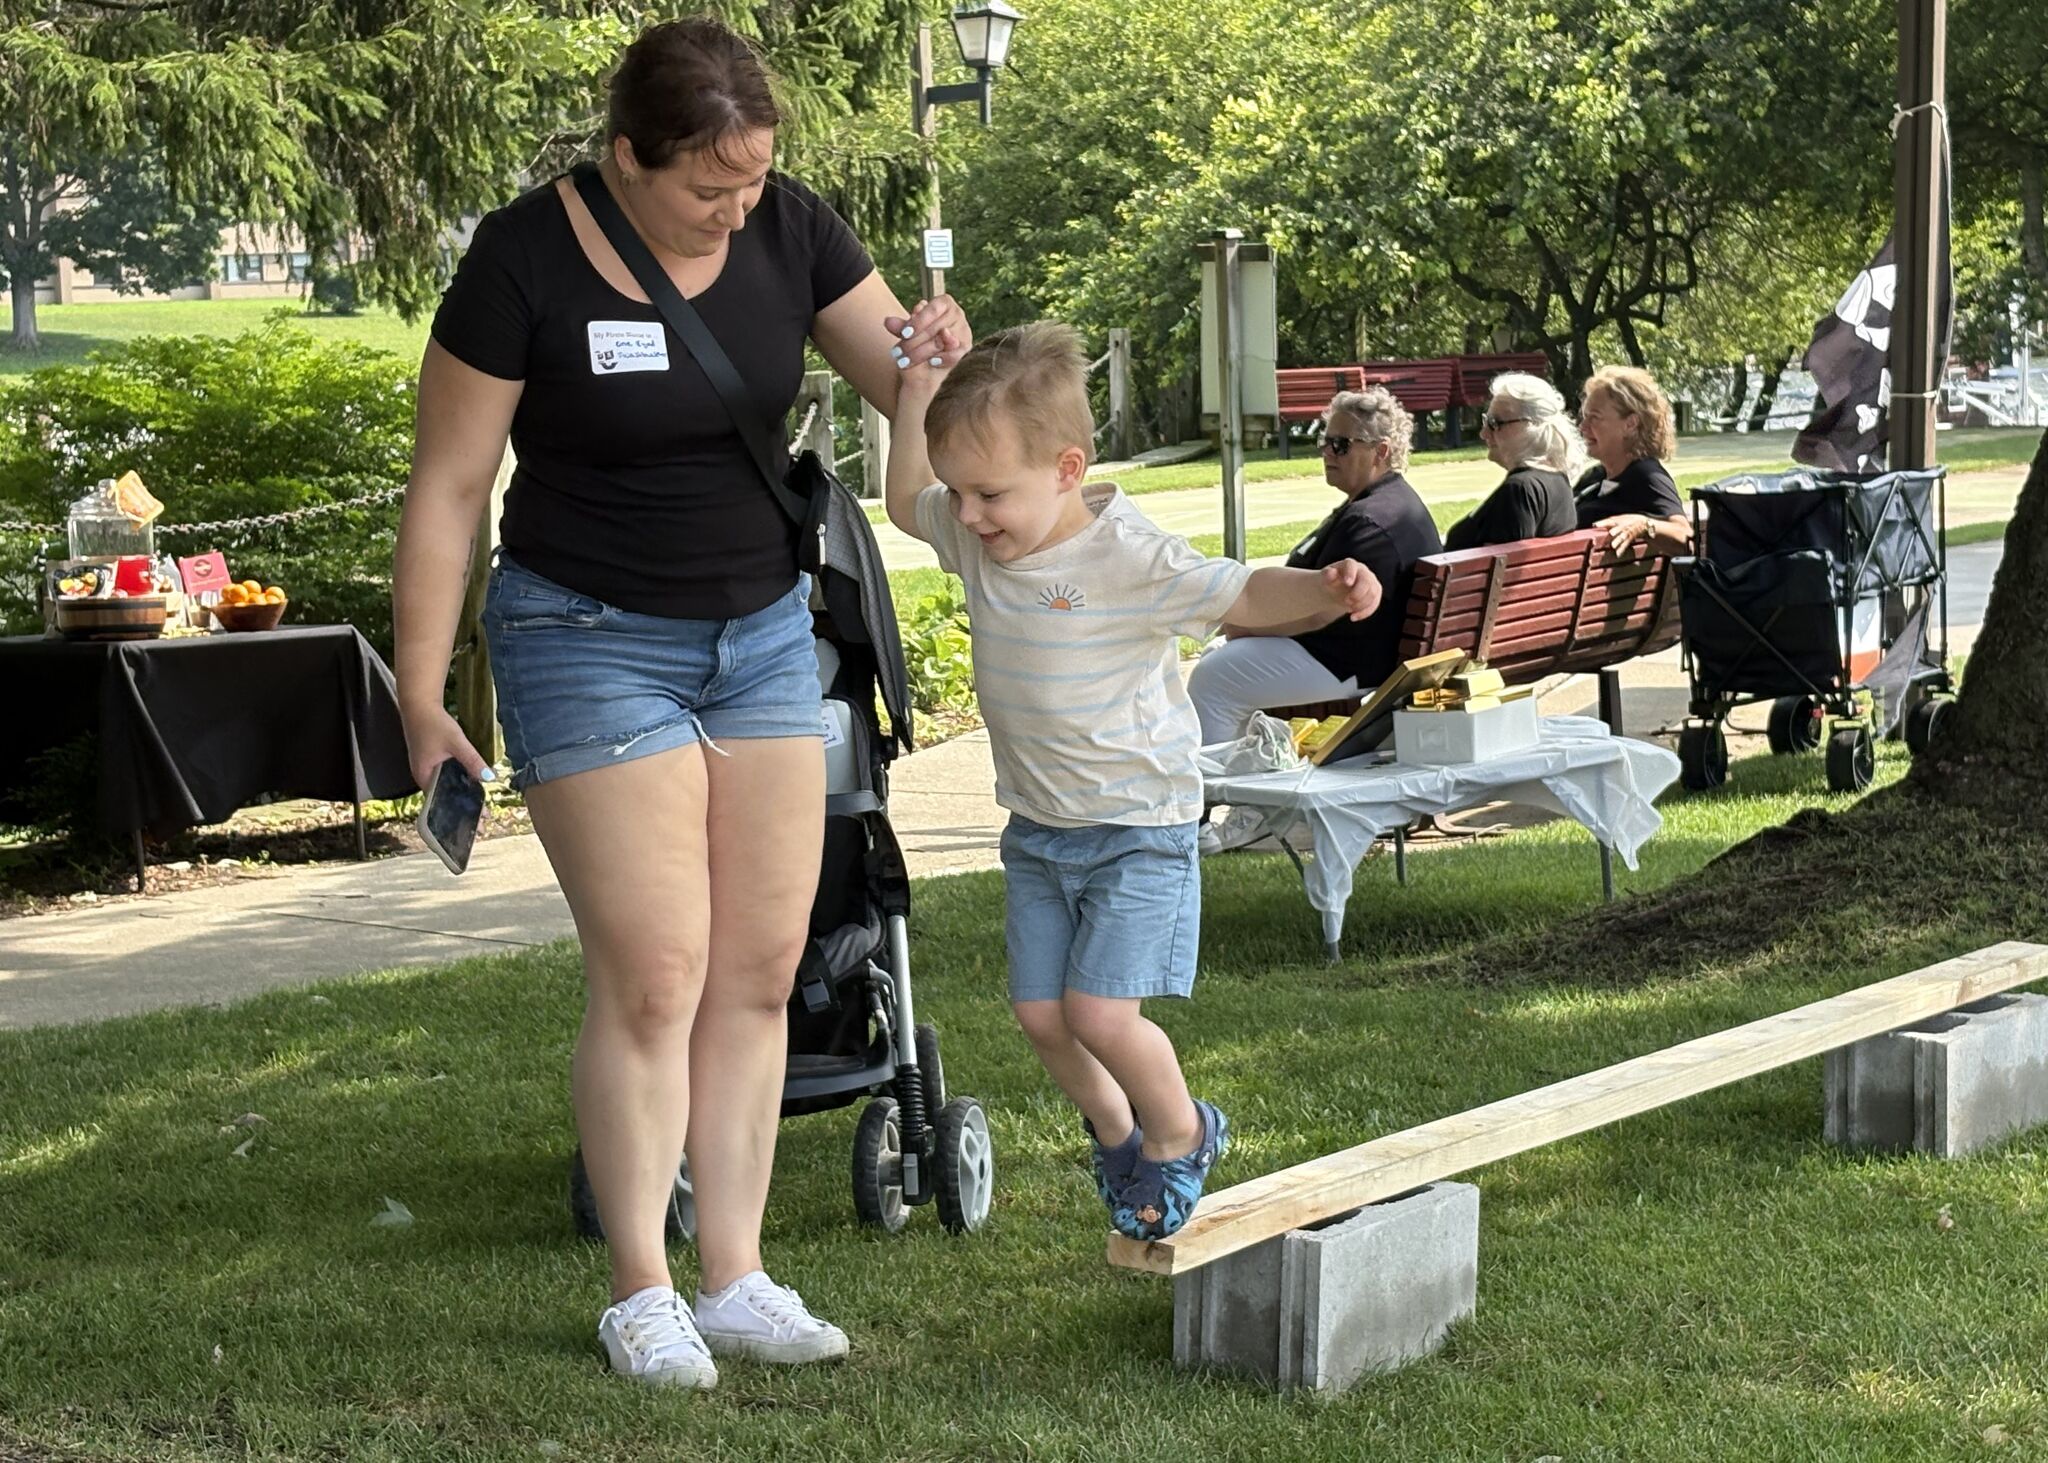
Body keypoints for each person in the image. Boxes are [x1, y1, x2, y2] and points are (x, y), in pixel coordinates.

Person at [391, 17, 971, 1389]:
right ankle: (642, 1285)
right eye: (708, 188)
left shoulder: (795, 230)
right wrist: (420, 691)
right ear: (625, 155)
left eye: (755, 182)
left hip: (764, 632)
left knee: (763, 963)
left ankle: (741, 1271)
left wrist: (935, 352)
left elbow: (910, 397)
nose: (737, 208)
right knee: (656, 969)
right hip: (585, 635)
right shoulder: (520, 261)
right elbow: (449, 488)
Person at [882, 323, 1378, 1239]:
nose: (971, 513)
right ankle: (1117, 1130)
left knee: (1101, 1012)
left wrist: (1325, 589)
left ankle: (1182, 1130)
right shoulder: (973, 531)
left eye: (991, 493)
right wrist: (916, 389)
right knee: (1040, 1013)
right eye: (963, 492)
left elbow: (1241, 595)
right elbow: (905, 497)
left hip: (1138, 827)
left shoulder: (1129, 557)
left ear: (1067, 468)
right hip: (1038, 829)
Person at [1186, 387, 1443, 751]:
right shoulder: (1390, 503)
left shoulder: (1371, 521)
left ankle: (1221, 793)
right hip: (1357, 656)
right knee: (1219, 658)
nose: (1326, 452)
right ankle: (1254, 789)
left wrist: (1245, 625)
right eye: (1326, 441)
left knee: (1214, 678)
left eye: (1340, 445)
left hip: (1345, 662)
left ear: (1380, 452)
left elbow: (1320, 613)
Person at [1442, 372, 1580, 550]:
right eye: (1486, 421)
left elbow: (1504, 573)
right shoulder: (1558, 480)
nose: (1483, 433)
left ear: (1532, 426)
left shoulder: (1520, 491)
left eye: (1494, 423)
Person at [1573, 365, 1692, 555]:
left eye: (1594, 418)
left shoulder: (1646, 475)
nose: (1583, 427)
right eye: (1584, 417)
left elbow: (1686, 538)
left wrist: (1645, 525)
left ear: (1630, 424)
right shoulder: (1595, 477)